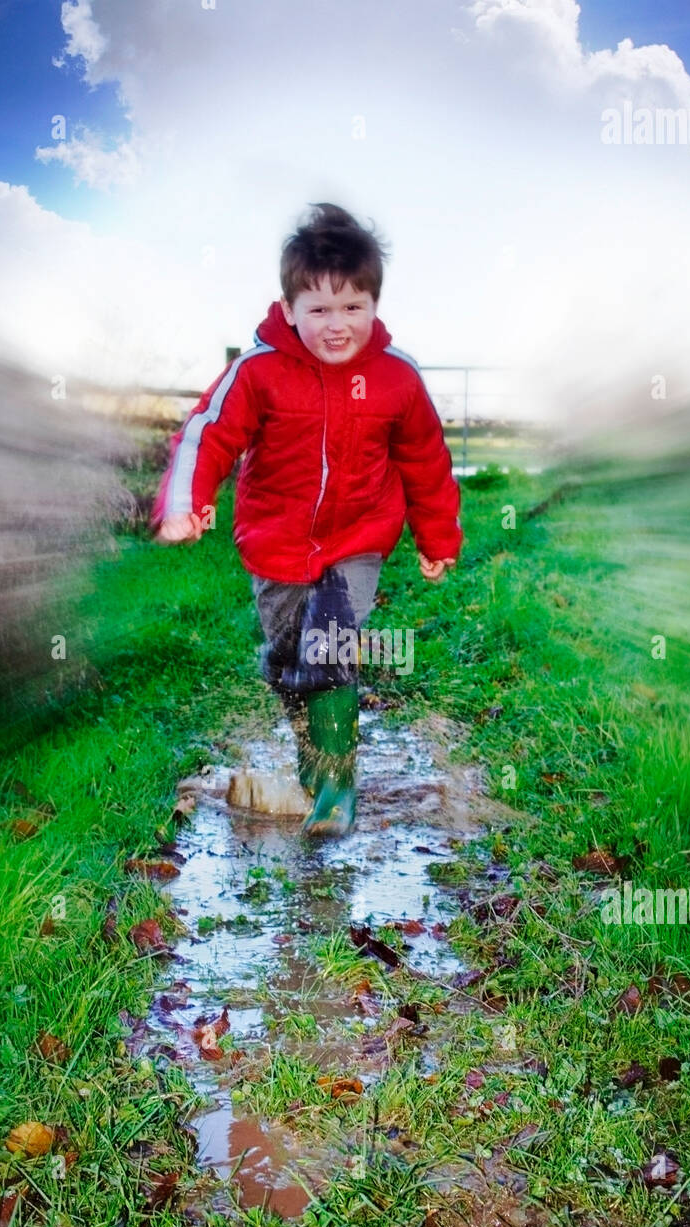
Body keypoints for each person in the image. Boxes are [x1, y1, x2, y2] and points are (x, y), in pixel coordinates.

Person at [152, 203, 462, 836]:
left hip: (359, 539)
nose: (338, 324)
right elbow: (207, 435)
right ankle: (312, 766)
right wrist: (185, 503)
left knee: (332, 642)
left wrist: (438, 536)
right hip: (278, 543)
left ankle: (338, 793)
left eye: (353, 307)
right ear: (289, 307)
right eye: (319, 309)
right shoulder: (261, 370)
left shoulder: (396, 379)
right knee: (293, 660)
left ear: (375, 304)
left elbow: (426, 460)